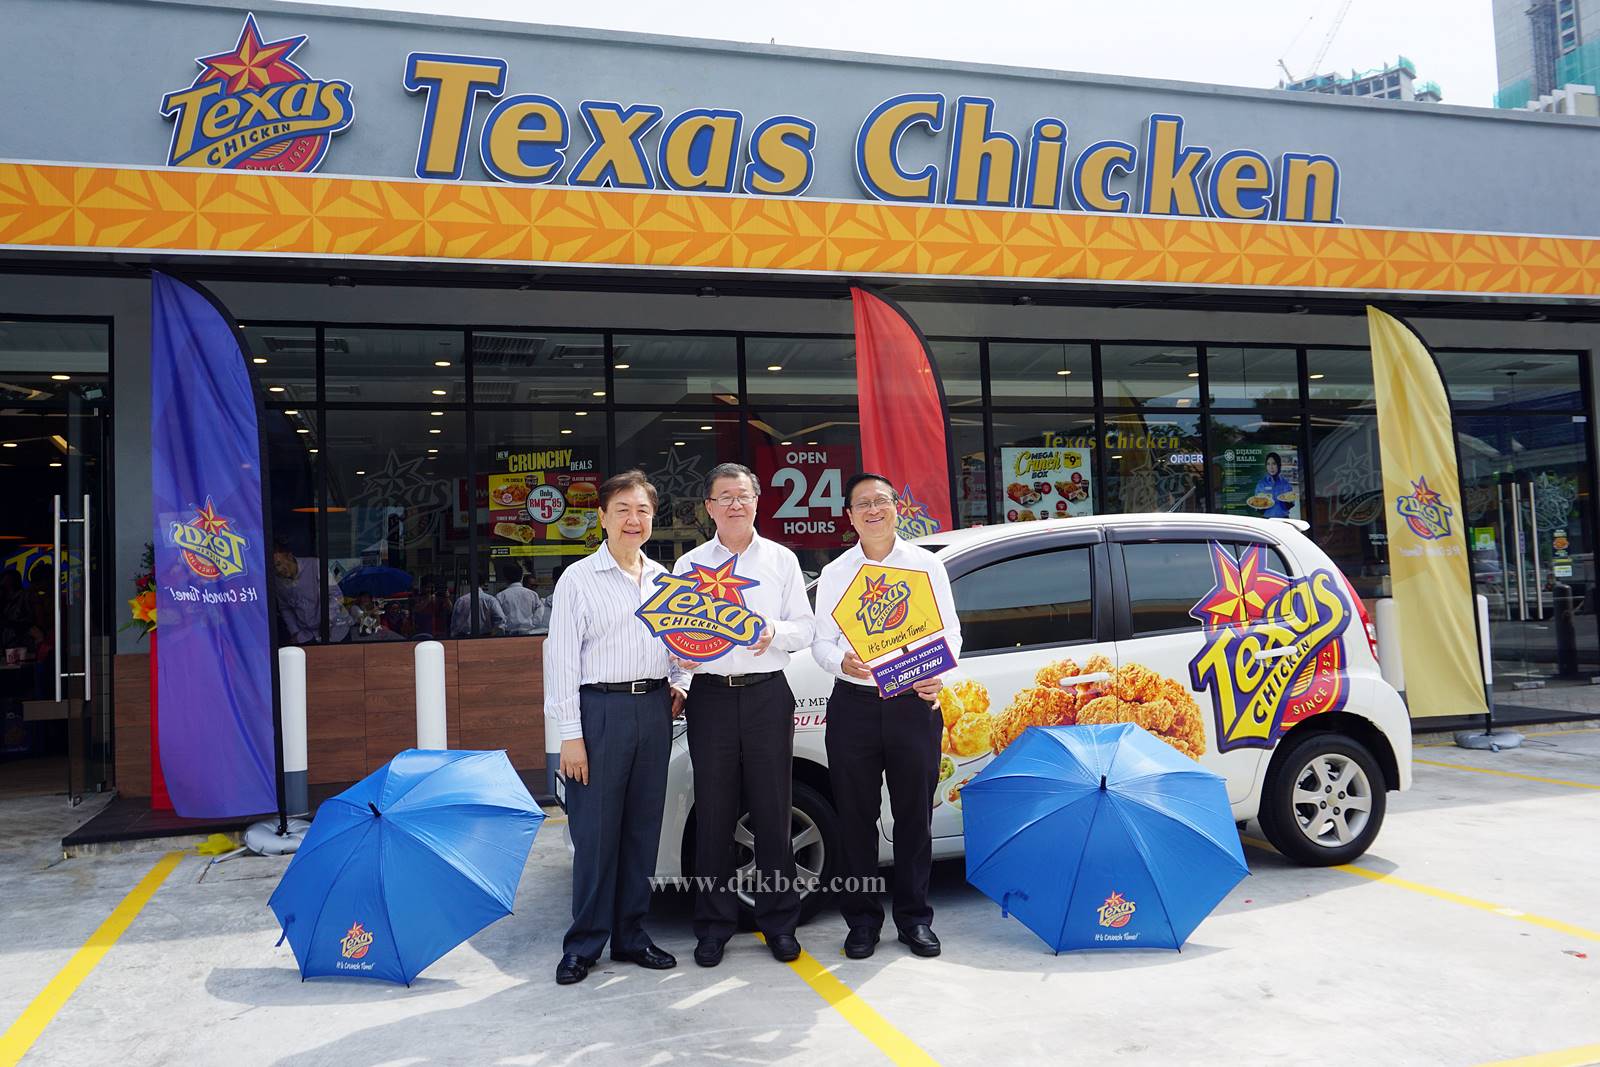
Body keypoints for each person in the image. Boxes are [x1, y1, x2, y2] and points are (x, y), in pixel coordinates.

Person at [543, 470, 687, 986]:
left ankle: (632, 935)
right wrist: (571, 737)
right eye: (622, 509)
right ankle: (583, 944)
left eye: (643, 509)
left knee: (642, 831)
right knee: (595, 834)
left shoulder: (664, 578)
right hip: (598, 714)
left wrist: (681, 682)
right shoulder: (578, 580)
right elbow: (560, 663)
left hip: (653, 710)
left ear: (653, 518)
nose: (633, 519)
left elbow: (681, 646)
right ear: (601, 517)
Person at [669, 463, 815, 967]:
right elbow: (678, 643)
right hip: (709, 697)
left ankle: (780, 923)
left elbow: (807, 629)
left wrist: (773, 631)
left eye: (743, 495)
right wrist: (682, 684)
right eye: (724, 496)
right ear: (709, 507)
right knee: (712, 811)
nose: (734, 504)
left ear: (757, 502)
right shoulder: (688, 566)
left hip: (766, 695)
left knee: (774, 809)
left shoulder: (781, 560)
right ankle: (713, 926)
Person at [811, 473, 962, 960]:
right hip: (854, 704)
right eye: (862, 504)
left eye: (881, 501)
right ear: (849, 516)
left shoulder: (925, 566)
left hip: (913, 702)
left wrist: (936, 672)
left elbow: (951, 632)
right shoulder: (836, 573)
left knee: (915, 815)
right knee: (855, 817)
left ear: (897, 508)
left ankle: (915, 919)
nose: (873, 510)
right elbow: (821, 642)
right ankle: (861, 921)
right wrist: (841, 661)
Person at [272, 546, 351, 644]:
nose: (278, 570)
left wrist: (327, 619)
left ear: (289, 556)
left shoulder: (315, 565)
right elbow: (285, 608)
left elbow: (336, 595)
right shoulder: (278, 581)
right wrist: (295, 632)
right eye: (274, 567)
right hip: (307, 635)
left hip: (335, 629)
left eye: (279, 563)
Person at [496, 566, 544, 636]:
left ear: (505, 578)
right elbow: (539, 614)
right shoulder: (533, 594)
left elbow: (499, 618)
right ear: (522, 577)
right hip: (529, 633)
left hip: (508, 635)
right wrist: (532, 624)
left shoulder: (501, 596)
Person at [1255, 452, 1294, 519]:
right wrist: (1262, 504)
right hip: (1266, 519)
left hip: (1283, 519)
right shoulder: (1261, 484)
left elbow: (1291, 504)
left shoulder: (1285, 483)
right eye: (1268, 464)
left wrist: (1288, 501)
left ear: (1279, 465)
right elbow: (1258, 508)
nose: (1271, 467)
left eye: (1274, 464)